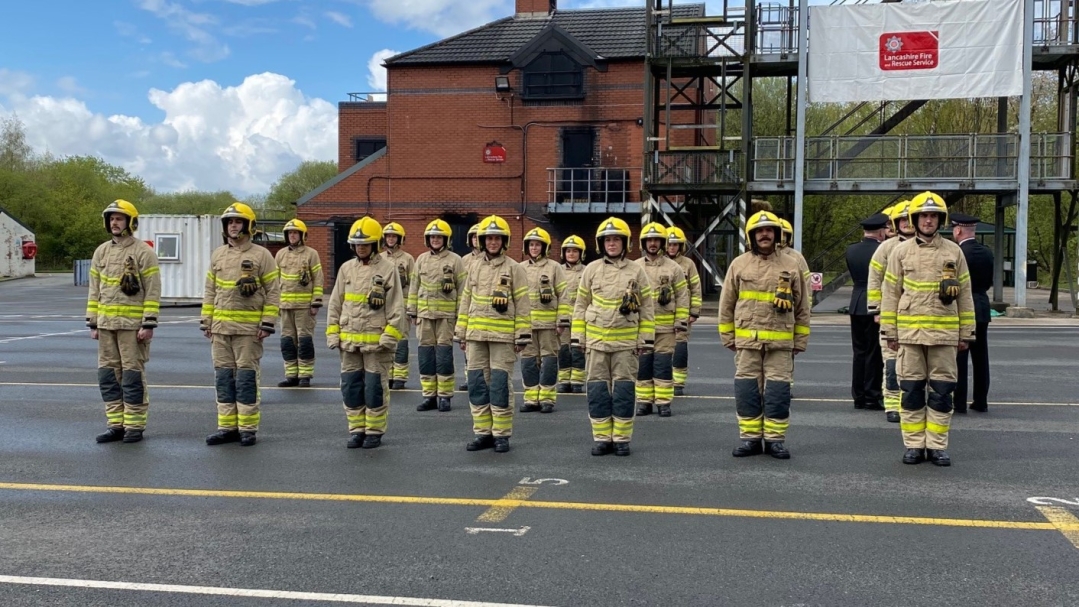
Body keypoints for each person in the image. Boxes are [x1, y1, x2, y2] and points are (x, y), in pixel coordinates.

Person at [881, 191, 975, 467]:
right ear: (915, 219)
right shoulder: (900, 252)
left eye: (933, 216)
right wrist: (889, 332)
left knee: (942, 392)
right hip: (910, 336)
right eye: (924, 215)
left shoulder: (954, 251)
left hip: (944, 336)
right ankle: (913, 445)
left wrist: (966, 333)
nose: (928, 220)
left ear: (940, 219)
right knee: (910, 391)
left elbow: (965, 295)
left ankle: (936, 446)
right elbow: (890, 293)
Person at [719, 211, 811, 459]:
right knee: (747, 390)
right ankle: (750, 439)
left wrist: (800, 340)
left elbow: (803, 306)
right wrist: (728, 337)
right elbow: (727, 303)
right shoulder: (739, 264)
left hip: (781, 342)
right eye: (759, 231)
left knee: (778, 392)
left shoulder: (791, 265)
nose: (764, 234)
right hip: (747, 343)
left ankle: (774, 440)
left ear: (777, 234)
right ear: (751, 236)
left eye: (769, 230)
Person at [572, 217, 655, 456]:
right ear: (601, 243)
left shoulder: (637, 271)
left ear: (625, 243)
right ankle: (601, 439)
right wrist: (578, 337)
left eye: (616, 239)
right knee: (597, 391)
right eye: (608, 239)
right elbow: (580, 305)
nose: (612, 243)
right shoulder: (591, 270)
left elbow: (647, 308)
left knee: (624, 392)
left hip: (626, 345)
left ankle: (621, 439)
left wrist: (645, 339)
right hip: (596, 344)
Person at [202, 203, 280, 447]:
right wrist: (207, 321)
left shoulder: (262, 255)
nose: (233, 226)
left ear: (248, 225)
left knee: (246, 378)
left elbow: (273, 292)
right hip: (221, 329)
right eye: (229, 222)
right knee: (224, 378)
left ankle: (247, 429)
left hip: (248, 330)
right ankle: (227, 428)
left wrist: (267, 323)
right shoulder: (218, 254)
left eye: (237, 221)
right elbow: (210, 290)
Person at [326, 217, 408, 449]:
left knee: (374, 389)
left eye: (365, 244)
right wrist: (333, 334)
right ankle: (356, 430)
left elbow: (396, 308)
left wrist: (388, 338)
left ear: (375, 244)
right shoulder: (346, 269)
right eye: (357, 244)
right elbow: (335, 304)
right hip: (349, 344)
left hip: (376, 345)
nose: (361, 247)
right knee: (351, 387)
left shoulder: (388, 269)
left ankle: (373, 431)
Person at [86, 199, 161, 444]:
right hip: (106, 325)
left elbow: (153, 290)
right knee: (108, 376)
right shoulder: (101, 252)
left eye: (119, 218)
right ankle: (115, 425)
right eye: (111, 219)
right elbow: (94, 290)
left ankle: (134, 426)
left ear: (130, 222)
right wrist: (93, 322)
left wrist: (148, 323)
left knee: (132, 376)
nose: (114, 223)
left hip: (132, 327)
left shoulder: (143, 252)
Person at [455, 215, 531, 453]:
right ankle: (482, 433)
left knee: (499, 386)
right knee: (477, 385)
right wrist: (461, 333)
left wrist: (522, 335)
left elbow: (523, 304)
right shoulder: (474, 266)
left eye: (497, 238)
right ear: (482, 241)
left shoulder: (515, 269)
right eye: (489, 238)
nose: (493, 242)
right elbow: (466, 300)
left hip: (502, 338)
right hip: (476, 337)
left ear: (504, 241)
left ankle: (501, 435)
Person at [408, 219, 466, 413]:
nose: (435, 240)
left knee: (444, 357)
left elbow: (463, 290)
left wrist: (460, 316)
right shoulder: (421, 259)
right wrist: (412, 311)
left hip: (446, 318)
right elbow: (414, 286)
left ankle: (445, 396)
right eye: (432, 237)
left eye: (439, 237)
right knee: (425, 357)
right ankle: (429, 396)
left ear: (446, 239)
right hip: (424, 317)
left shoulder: (456, 260)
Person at [635, 223, 689, 418]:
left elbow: (682, 296)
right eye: (649, 240)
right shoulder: (635, 267)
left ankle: (663, 403)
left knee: (663, 364)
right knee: (643, 364)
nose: (652, 243)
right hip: (642, 327)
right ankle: (644, 402)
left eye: (656, 240)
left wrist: (680, 322)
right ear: (643, 243)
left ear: (662, 243)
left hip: (666, 328)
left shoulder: (674, 268)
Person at [867, 202, 914, 423]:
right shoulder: (886, 248)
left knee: (915, 364)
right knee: (892, 363)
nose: (906, 223)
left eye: (909, 219)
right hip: (891, 314)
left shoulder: (928, 247)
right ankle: (893, 405)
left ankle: (911, 401)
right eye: (902, 219)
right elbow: (874, 279)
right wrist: (876, 309)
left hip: (918, 316)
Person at [519, 227, 568, 414]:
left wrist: (561, 321)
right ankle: (531, 398)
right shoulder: (520, 268)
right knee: (528, 362)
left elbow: (564, 295)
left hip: (549, 326)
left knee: (548, 361)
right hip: (527, 325)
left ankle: (547, 398)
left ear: (545, 247)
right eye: (531, 245)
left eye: (537, 245)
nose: (534, 248)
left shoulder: (554, 267)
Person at [950, 212, 993, 414]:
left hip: (962, 307)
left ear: (958, 230)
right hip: (981, 305)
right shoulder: (987, 253)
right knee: (981, 356)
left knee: (960, 356)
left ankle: (959, 402)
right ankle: (981, 400)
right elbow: (989, 281)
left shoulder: (956, 254)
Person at [845, 213, 888, 411]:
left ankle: (858, 395)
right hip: (874, 303)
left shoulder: (851, 250)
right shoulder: (883, 250)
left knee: (859, 352)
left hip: (856, 302)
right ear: (880, 232)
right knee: (874, 353)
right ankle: (872, 394)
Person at [275, 219, 323, 388]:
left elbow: (318, 279)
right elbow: (275, 281)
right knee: (287, 342)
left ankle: (305, 375)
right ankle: (291, 375)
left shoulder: (311, 254)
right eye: (290, 233)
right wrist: (274, 303)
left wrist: (316, 302)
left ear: (302, 235)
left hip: (304, 307)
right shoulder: (280, 254)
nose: (292, 235)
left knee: (304, 341)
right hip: (285, 306)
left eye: (295, 233)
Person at [665, 227, 702, 396]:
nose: (672, 247)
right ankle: (662, 380)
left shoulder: (688, 264)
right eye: (669, 244)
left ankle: (678, 383)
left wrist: (694, 312)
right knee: (661, 350)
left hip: (682, 313)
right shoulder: (659, 263)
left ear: (681, 246)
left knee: (680, 346)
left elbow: (695, 288)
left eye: (675, 244)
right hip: (661, 314)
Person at [381, 222, 415, 390]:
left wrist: (411, 308)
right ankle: (387, 375)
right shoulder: (379, 258)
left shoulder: (408, 259)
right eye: (388, 236)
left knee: (401, 341)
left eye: (394, 236)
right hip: (383, 306)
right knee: (386, 340)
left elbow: (414, 284)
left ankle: (400, 377)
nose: (391, 239)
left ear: (400, 239)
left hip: (402, 306)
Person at [557, 235, 587, 394]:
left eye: (575, 251)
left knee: (578, 350)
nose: (571, 254)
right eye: (568, 251)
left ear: (581, 253)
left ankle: (577, 381)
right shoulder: (558, 271)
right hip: (563, 319)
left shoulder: (587, 271)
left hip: (580, 319)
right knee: (563, 350)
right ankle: (564, 381)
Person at [459, 223, 483, 392]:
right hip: (467, 308)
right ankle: (470, 378)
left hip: (484, 309)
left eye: (478, 236)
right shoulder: (464, 261)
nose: (476, 240)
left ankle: (484, 378)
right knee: (467, 346)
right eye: (473, 237)